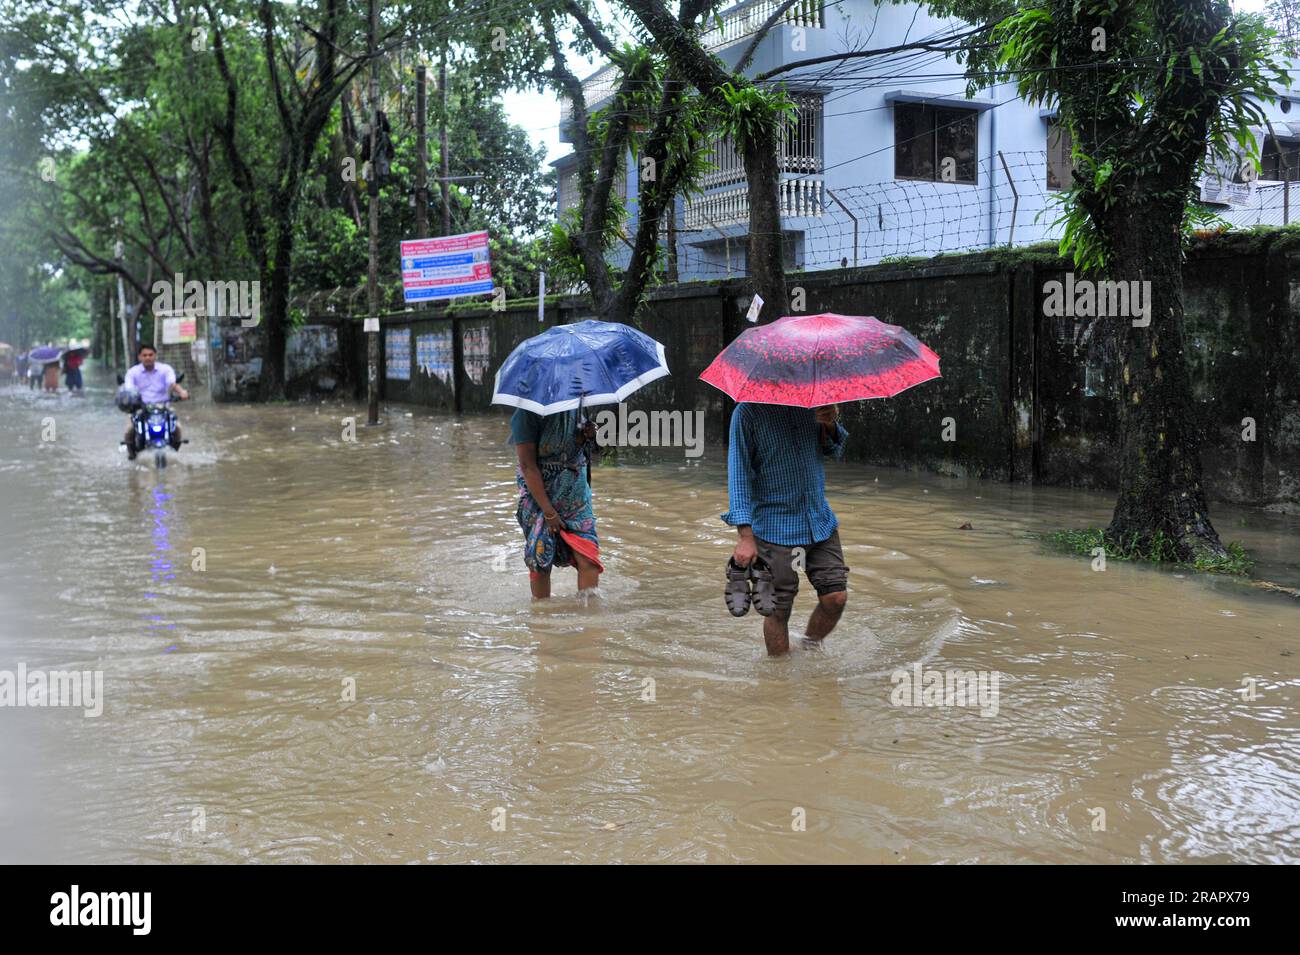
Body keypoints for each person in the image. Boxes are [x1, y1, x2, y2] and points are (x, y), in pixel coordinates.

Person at [723, 403, 850, 656]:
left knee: (835, 597)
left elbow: (834, 450)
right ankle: (778, 681)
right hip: (774, 528)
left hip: (818, 521)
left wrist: (829, 423)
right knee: (779, 608)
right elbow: (738, 474)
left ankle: (810, 646)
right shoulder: (747, 413)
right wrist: (745, 536)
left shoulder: (812, 400)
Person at [510, 406, 602, 600]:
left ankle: (590, 621)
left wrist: (589, 434)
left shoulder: (577, 404)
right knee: (541, 560)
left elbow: (582, 448)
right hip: (539, 496)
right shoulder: (526, 414)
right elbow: (527, 466)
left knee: (589, 560)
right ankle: (542, 618)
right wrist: (548, 511)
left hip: (575, 496)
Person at [122, 345, 188, 459]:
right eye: (145, 355)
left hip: (163, 406)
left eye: (151, 355)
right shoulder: (133, 372)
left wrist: (182, 392)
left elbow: (172, 383)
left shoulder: (165, 369)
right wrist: (127, 399)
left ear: (155, 356)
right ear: (139, 357)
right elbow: (129, 388)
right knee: (129, 431)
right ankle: (131, 455)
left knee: (177, 428)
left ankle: (175, 451)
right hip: (140, 408)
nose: (148, 357)